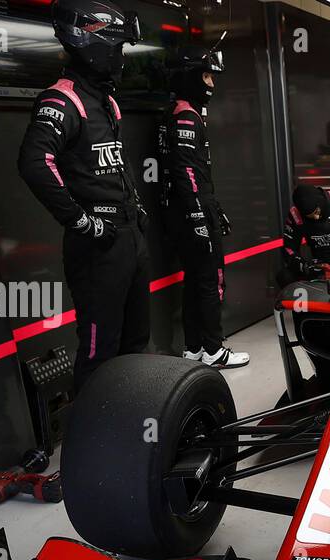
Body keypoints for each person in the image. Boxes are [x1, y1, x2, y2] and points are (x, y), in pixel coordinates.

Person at [17, 0, 147, 392]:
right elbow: (35, 164)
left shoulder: (106, 101)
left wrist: (135, 208)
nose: (121, 59)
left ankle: (134, 432)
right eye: (118, 48)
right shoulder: (61, 99)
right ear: (94, 42)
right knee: (99, 352)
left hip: (127, 237)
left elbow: (113, 166)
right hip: (97, 247)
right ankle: (94, 446)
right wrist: (82, 222)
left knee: (135, 343)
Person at [159, 43, 248, 370]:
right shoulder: (186, 117)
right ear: (190, 76)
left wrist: (213, 208)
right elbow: (186, 173)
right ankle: (213, 349)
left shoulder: (177, 112)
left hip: (185, 213)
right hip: (191, 213)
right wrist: (201, 215)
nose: (211, 83)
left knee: (195, 280)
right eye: (207, 75)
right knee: (211, 281)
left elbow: (190, 173)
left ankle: (194, 348)